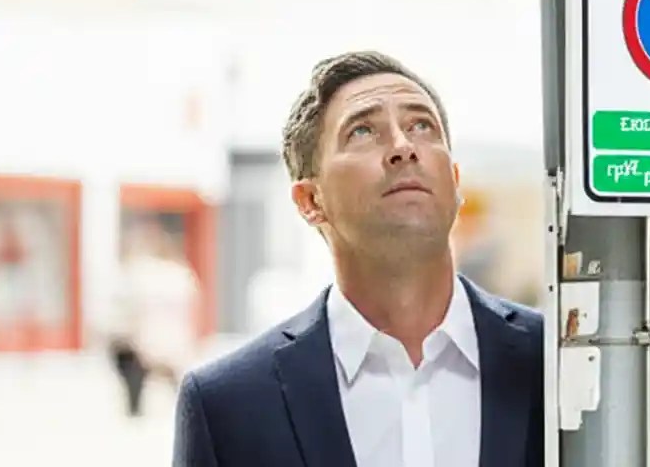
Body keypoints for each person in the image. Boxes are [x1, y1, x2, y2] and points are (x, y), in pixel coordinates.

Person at [173, 51, 543, 467]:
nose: (403, 147)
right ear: (311, 200)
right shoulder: (228, 406)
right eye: (363, 131)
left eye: (421, 125)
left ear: (455, 182)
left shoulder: (552, 362)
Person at [110, 217, 202, 417]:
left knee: (138, 384)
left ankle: (135, 410)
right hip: (174, 338)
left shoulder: (141, 273)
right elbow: (193, 308)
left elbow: (129, 311)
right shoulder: (181, 274)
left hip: (147, 338)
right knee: (179, 389)